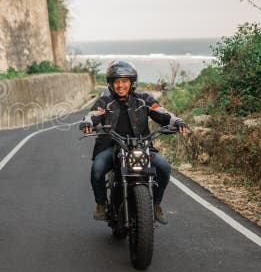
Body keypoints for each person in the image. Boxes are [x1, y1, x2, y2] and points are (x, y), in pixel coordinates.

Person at [80, 60, 190, 224]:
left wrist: (177, 122)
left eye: (124, 81)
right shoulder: (105, 101)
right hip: (114, 146)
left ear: (132, 82)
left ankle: (155, 203)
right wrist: (88, 123)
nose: (120, 85)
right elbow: (94, 113)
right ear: (111, 84)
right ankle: (101, 204)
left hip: (141, 146)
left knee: (164, 168)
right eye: (116, 81)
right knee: (97, 169)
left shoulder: (143, 99)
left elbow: (161, 112)